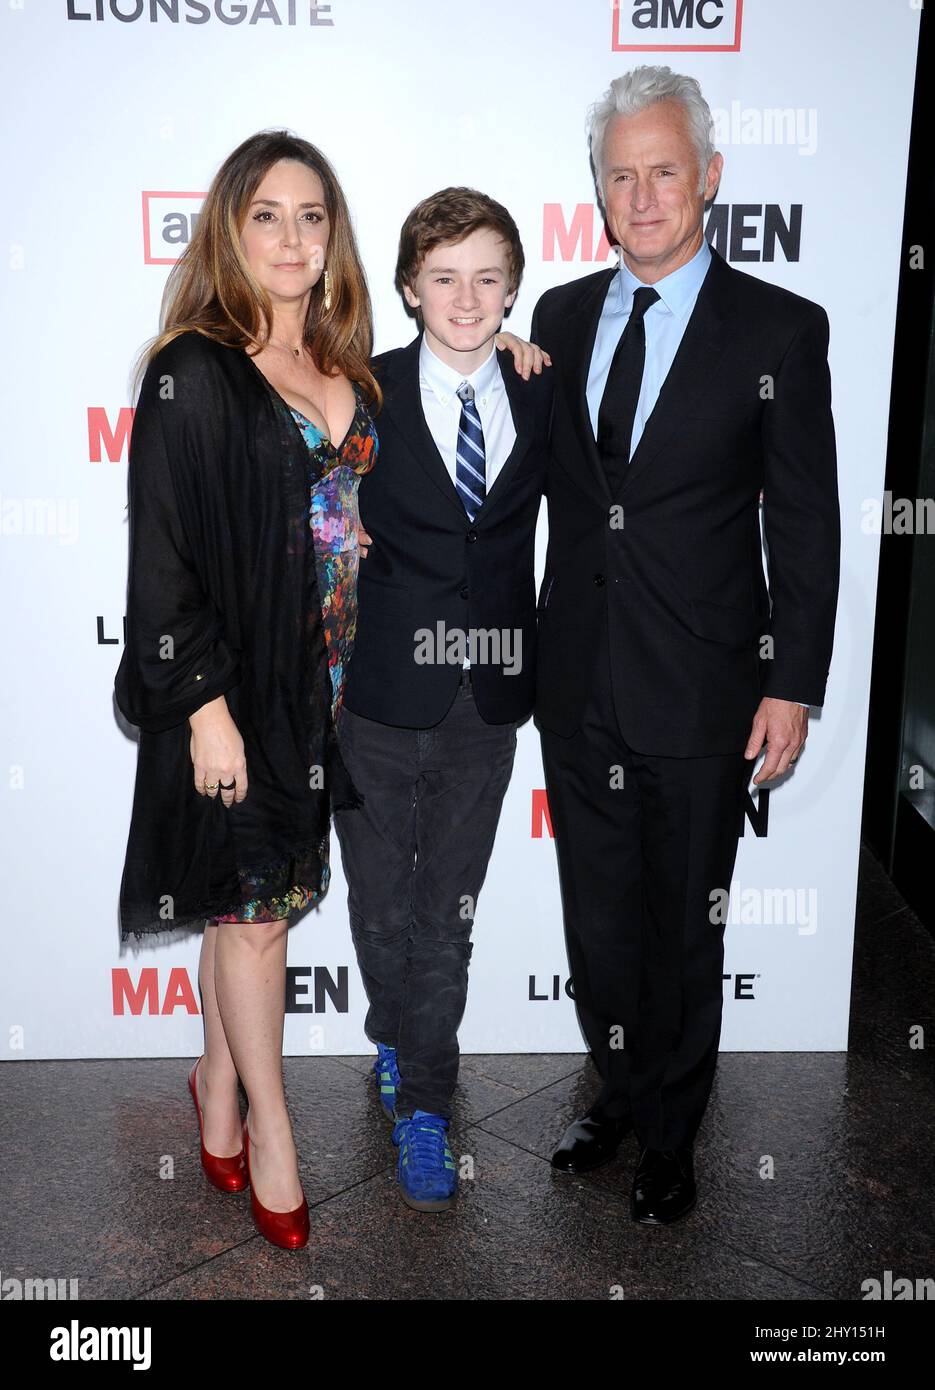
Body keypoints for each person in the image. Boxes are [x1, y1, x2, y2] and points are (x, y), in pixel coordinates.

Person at [530, 67, 840, 1223]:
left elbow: (803, 523)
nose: (643, 193)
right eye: (621, 174)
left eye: (664, 169)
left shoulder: (777, 328)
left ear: (709, 177)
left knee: (682, 925)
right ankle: (615, 1089)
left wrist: (792, 684)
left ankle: (671, 1131)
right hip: (579, 684)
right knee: (598, 922)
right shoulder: (558, 321)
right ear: (598, 191)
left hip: (708, 692)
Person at [115, 130, 382, 1250]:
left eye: (311, 215)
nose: (291, 235)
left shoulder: (342, 363)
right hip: (235, 691)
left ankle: (214, 1084)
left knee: (251, 903)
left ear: (332, 238)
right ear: (230, 226)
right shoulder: (194, 366)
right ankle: (271, 1131)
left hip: (324, 686)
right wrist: (204, 708)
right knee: (260, 917)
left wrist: (500, 340)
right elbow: (163, 555)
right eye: (266, 213)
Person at [332, 187, 553, 1211]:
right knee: (381, 910)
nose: (466, 298)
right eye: (444, 277)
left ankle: (423, 1098)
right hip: (374, 696)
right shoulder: (356, 393)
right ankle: (396, 1036)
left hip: (487, 696)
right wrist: (339, 532)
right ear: (410, 287)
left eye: (487, 278)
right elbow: (299, 510)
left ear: (512, 286)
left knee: (447, 913)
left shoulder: (542, 392)